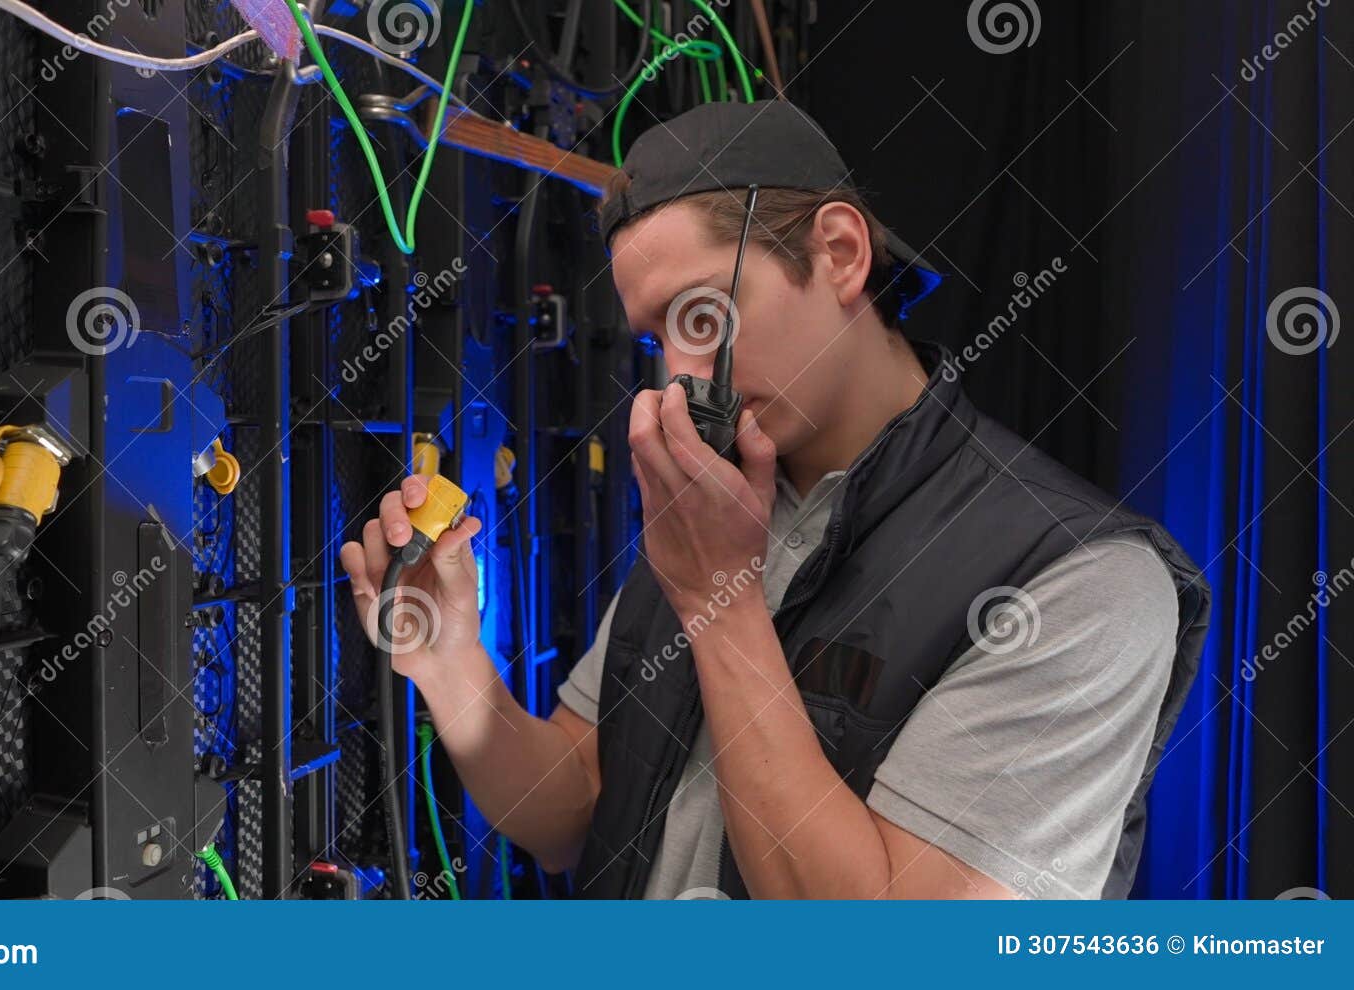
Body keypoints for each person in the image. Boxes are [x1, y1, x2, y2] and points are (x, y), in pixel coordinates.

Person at [339, 100, 1210, 899]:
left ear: (839, 252)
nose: (679, 377)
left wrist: (717, 601)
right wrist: (451, 664)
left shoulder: (1082, 580)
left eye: (704, 318)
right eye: (657, 338)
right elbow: (572, 810)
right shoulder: (712, 504)